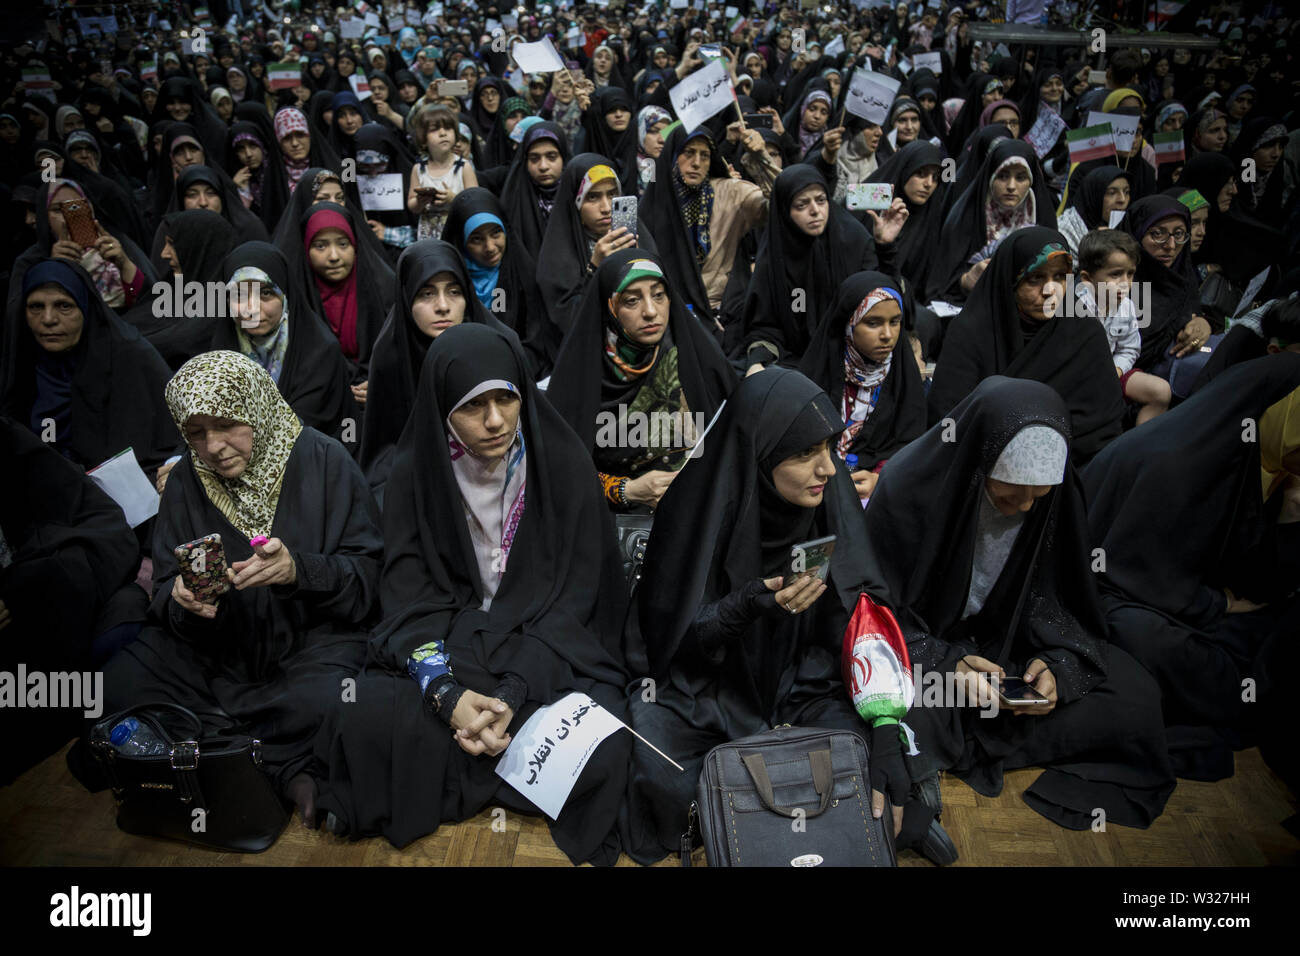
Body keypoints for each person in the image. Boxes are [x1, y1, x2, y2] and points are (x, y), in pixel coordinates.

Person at [311, 324, 632, 865]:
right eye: (472, 405)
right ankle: (501, 762)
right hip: (455, 637)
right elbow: (409, 598)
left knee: (612, 746)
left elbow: (578, 599)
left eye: (507, 398)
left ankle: (463, 760)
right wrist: (448, 696)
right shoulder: (415, 473)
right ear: (441, 408)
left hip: (543, 643)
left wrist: (510, 692)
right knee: (360, 713)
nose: (495, 421)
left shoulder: (561, 462)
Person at [623, 368, 923, 864]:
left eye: (829, 447)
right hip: (711, 689)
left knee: (890, 752)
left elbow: (864, 609)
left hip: (802, 678)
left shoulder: (831, 498)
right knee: (661, 771)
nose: (827, 468)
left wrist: (885, 720)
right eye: (804, 453)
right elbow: (666, 645)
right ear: (759, 455)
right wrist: (744, 607)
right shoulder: (694, 508)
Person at [71, 350, 384, 822]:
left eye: (225, 424)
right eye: (195, 433)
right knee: (114, 687)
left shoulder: (324, 460)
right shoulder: (186, 482)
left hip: (310, 643)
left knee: (333, 698)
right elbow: (162, 589)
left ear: (256, 407)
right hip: (216, 651)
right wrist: (182, 602)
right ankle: (276, 762)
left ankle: (223, 755)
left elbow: (368, 579)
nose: (213, 446)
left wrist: (298, 570)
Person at [862, 376, 1176, 839]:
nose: (1024, 507)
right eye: (1009, 492)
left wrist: (1055, 666)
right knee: (893, 704)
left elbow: (1063, 600)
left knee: (1136, 698)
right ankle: (936, 754)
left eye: (1039, 493)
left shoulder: (1053, 497)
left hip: (1007, 650)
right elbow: (872, 611)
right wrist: (948, 662)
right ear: (977, 461)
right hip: (924, 651)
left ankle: (950, 747)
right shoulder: (911, 485)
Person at [1082, 354, 1300, 782]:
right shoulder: (1179, 460)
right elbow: (1131, 573)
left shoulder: (1265, 463)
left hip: (1189, 598)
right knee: (1136, 634)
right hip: (1118, 594)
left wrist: (1291, 512)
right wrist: (1217, 603)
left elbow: (1264, 577)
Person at [0, 416, 148, 784]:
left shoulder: (10, 444)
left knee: (126, 627)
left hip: (54, 592)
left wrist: (22, 588)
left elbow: (97, 522)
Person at [548, 250, 736, 512]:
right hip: (615, 522)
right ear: (609, 307)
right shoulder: (582, 374)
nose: (651, 311)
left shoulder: (695, 357)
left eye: (659, 295)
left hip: (700, 510)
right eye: (632, 300)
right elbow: (560, 474)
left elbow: (735, 445)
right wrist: (626, 490)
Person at [927, 227, 1124, 465]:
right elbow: (948, 420)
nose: (1050, 291)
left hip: (1065, 468)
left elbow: (1103, 425)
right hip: (981, 468)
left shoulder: (1084, 332)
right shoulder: (972, 331)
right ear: (1010, 280)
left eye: (1060, 277)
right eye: (1035, 278)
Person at [359, 239, 510, 505]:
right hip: (417, 475)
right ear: (406, 297)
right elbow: (383, 449)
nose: (442, 306)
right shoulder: (391, 354)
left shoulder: (498, 347)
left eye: (454, 291)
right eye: (426, 294)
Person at [2, 259, 176, 481]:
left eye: (64, 306)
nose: (48, 320)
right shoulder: (23, 360)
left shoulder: (129, 356)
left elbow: (174, 439)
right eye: (35, 307)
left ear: (85, 307)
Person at [741, 165, 906, 370]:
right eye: (802, 205)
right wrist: (758, 362)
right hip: (795, 358)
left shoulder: (852, 240)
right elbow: (765, 325)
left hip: (854, 352)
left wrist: (886, 247)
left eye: (821, 200)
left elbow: (885, 301)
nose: (815, 211)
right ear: (784, 212)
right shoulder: (774, 257)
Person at [799, 273, 927, 503]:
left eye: (895, 322)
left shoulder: (902, 377)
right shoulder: (819, 371)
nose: (887, 335)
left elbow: (911, 443)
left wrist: (882, 477)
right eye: (873, 323)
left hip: (873, 490)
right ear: (849, 323)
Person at [209, 241, 356, 440]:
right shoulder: (219, 347)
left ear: (286, 297)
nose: (251, 308)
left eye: (266, 293)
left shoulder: (319, 351)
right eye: (239, 295)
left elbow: (301, 426)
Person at [641, 126, 771, 330]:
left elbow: (782, 204)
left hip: (719, 314)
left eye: (705, 155)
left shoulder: (730, 194)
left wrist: (761, 158)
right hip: (663, 317)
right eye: (689, 153)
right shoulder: (655, 201)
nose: (696, 163)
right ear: (673, 155)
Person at [282, 201, 396, 408]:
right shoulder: (293, 298)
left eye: (343, 244)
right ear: (305, 249)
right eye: (320, 246)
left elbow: (402, 354)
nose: (334, 256)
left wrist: (384, 383)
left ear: (356, 245)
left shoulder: (385, 288)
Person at [535, 153, 658, 338]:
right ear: (575, 203)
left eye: (612, 194)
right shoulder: (559, 255)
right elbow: (569, 322)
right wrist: (594, 268)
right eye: (592, 197)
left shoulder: (638, 239)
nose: (606, 207)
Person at [926, 139, 1056, 304]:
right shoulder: (966, 219)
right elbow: (938, 285)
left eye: (1021, 177)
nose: (1011, 186)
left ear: (1031, 181)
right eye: (1002, 176)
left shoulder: (1044, 219)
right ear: (990, 177)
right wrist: (965, 280)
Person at [442, 189, 553, 377]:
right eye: (476, 239)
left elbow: (536, 344)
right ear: (461, 243)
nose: (490, 247)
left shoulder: (522, 275)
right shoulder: (448, 282)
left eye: (496, 234)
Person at [1076, 230, 1170, 425]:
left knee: (1161, 392)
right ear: (1087, 278)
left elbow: (1129, 348)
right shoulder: (1075, 308)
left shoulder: (1126, 306)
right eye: (1116, 274)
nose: (1125, 283)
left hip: (1112, 373)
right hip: (1080, 380)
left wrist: (1116, 370)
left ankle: (1138, 446)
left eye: (1130, 274)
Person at [1116, 194, 1214, 375]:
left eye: (1178, 234)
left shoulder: (1180, 275)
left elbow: (1193, 312)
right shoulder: (1110, 281)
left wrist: (1201, 323)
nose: (1170, 245)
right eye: (1157, 234)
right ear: (1136, 234)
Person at [497, 120, 569, 259]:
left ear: (563, 158)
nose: (543, 166)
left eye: (551, 157)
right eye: (534, 158)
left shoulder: (578, 197)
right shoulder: (513, 201)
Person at [407, 103, 477, 241]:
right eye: (434, 129)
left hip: (458, 233)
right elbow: (411, 205)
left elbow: (475, 202)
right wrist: (420, 201)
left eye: (448, 128)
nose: (443, 133)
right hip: (428, 236)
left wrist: (454, 199)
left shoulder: (464, 167)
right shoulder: (419, 169)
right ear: (423, 140)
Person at [1055, 167, 1133, 258]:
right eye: (1112, 193)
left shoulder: (1127, 228)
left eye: (1126, 192)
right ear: (1093, 196)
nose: (1122, 199)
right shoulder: (1063, 233)